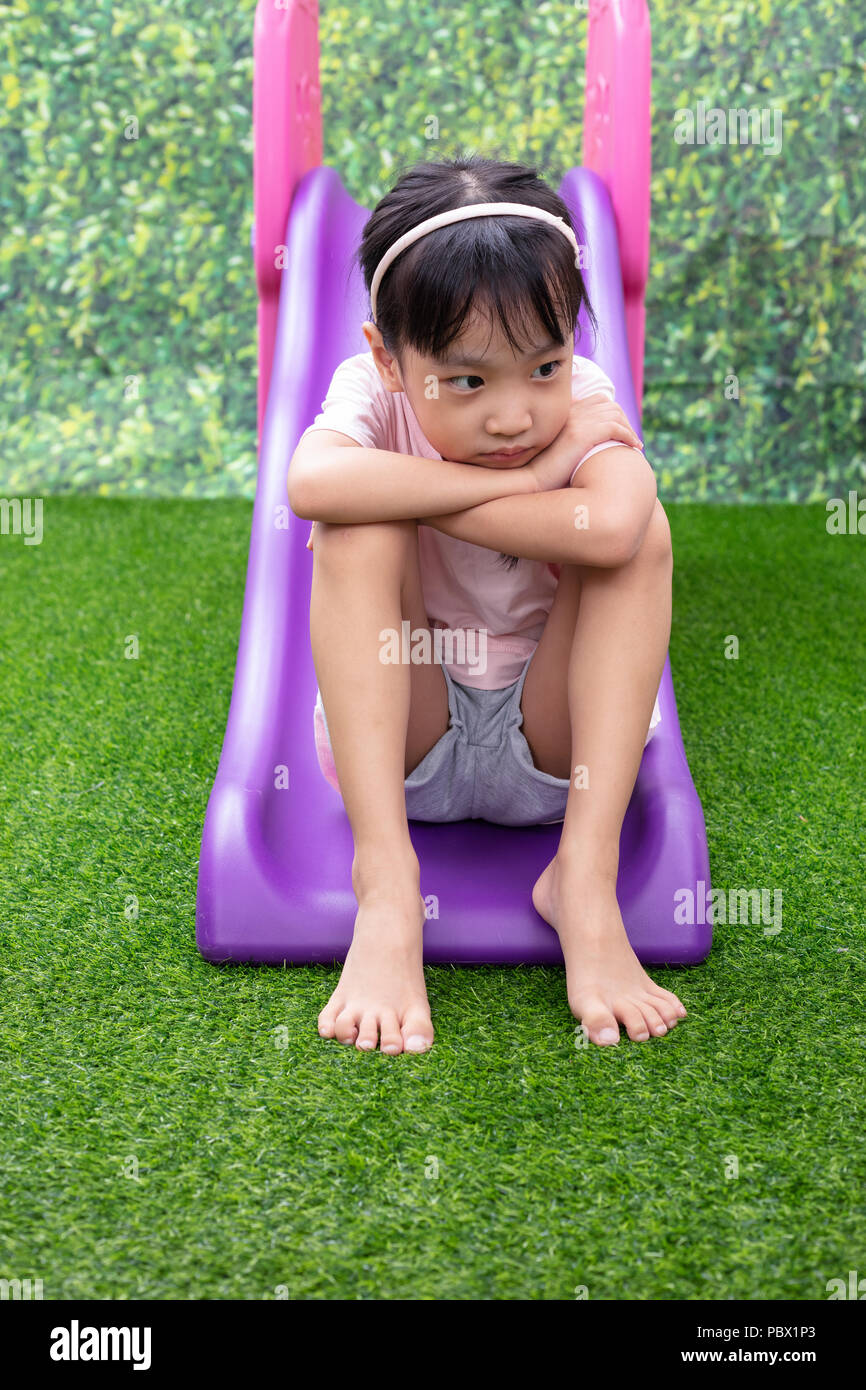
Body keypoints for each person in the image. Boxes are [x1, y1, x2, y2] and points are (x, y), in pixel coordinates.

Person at [287, 153, 686, 1056]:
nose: (514, 416)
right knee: (355, 527)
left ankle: (582, 884)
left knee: (644, 536)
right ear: (389, 359)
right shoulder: (372, 397)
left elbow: (619, 520)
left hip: (554, 754)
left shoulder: (581, 393)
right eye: (468, 383)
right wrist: (546, 478)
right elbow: (313, 483)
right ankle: (388, 893)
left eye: (542, 367)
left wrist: (462, 486)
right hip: (406, 747)